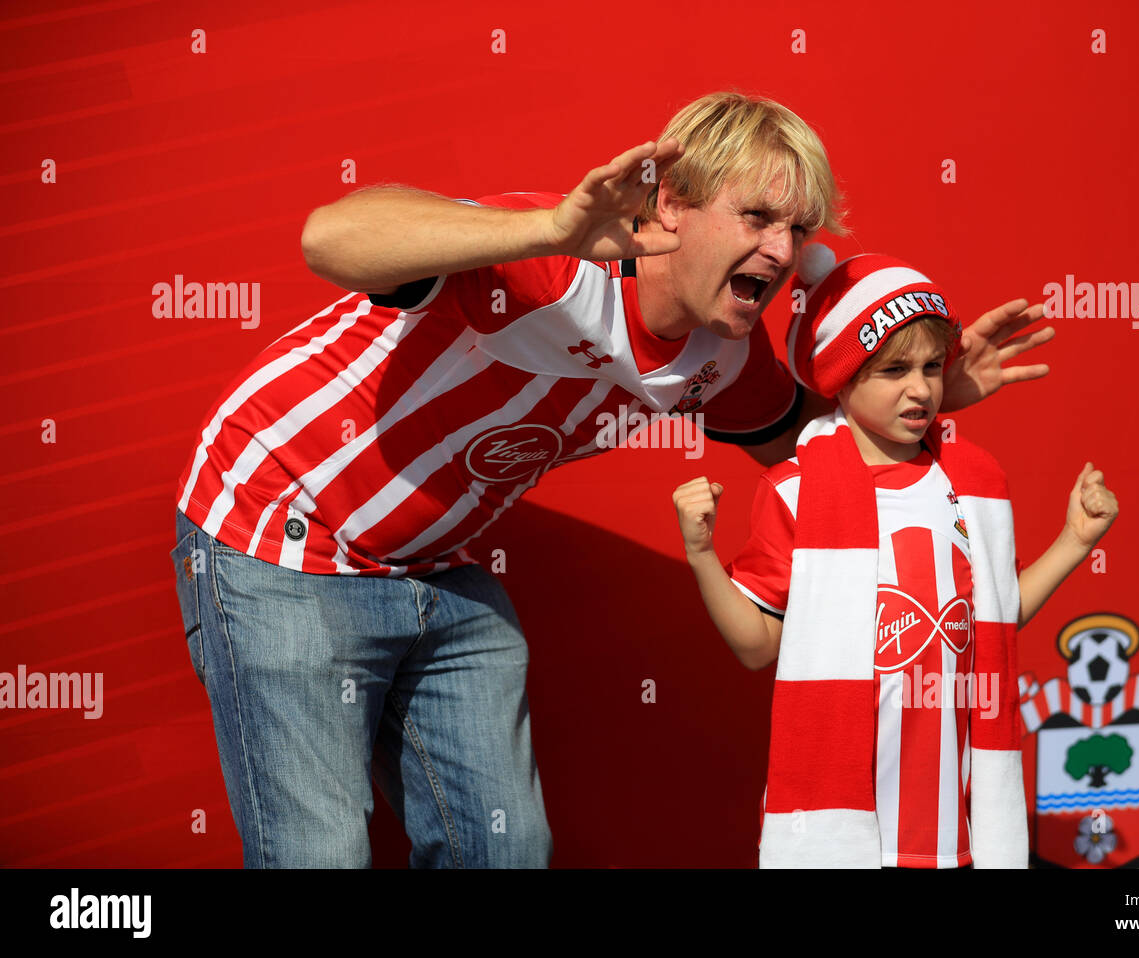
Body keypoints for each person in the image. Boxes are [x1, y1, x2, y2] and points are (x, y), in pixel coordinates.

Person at [169, 90, 1053, 868]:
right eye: (757, 218)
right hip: (277, 532)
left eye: (797, 231)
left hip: (435, 569)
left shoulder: (725, 354)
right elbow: (331, 238)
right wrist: (548, 226)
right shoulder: (550, 258)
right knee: (319, 855)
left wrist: (927, 387)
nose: (781, 252)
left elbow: (826, 453)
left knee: (507, 849)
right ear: (672, 204)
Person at [671, 247, 1118, 868]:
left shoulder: (973, 482)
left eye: (933, 366)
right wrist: (701, 554)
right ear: (840, 376)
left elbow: (995, 623)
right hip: (844, 819)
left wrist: (1074, 541)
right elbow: (756, 644)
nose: (920, 389)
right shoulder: (796, 490)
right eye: (892, 370)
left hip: (950, 823)